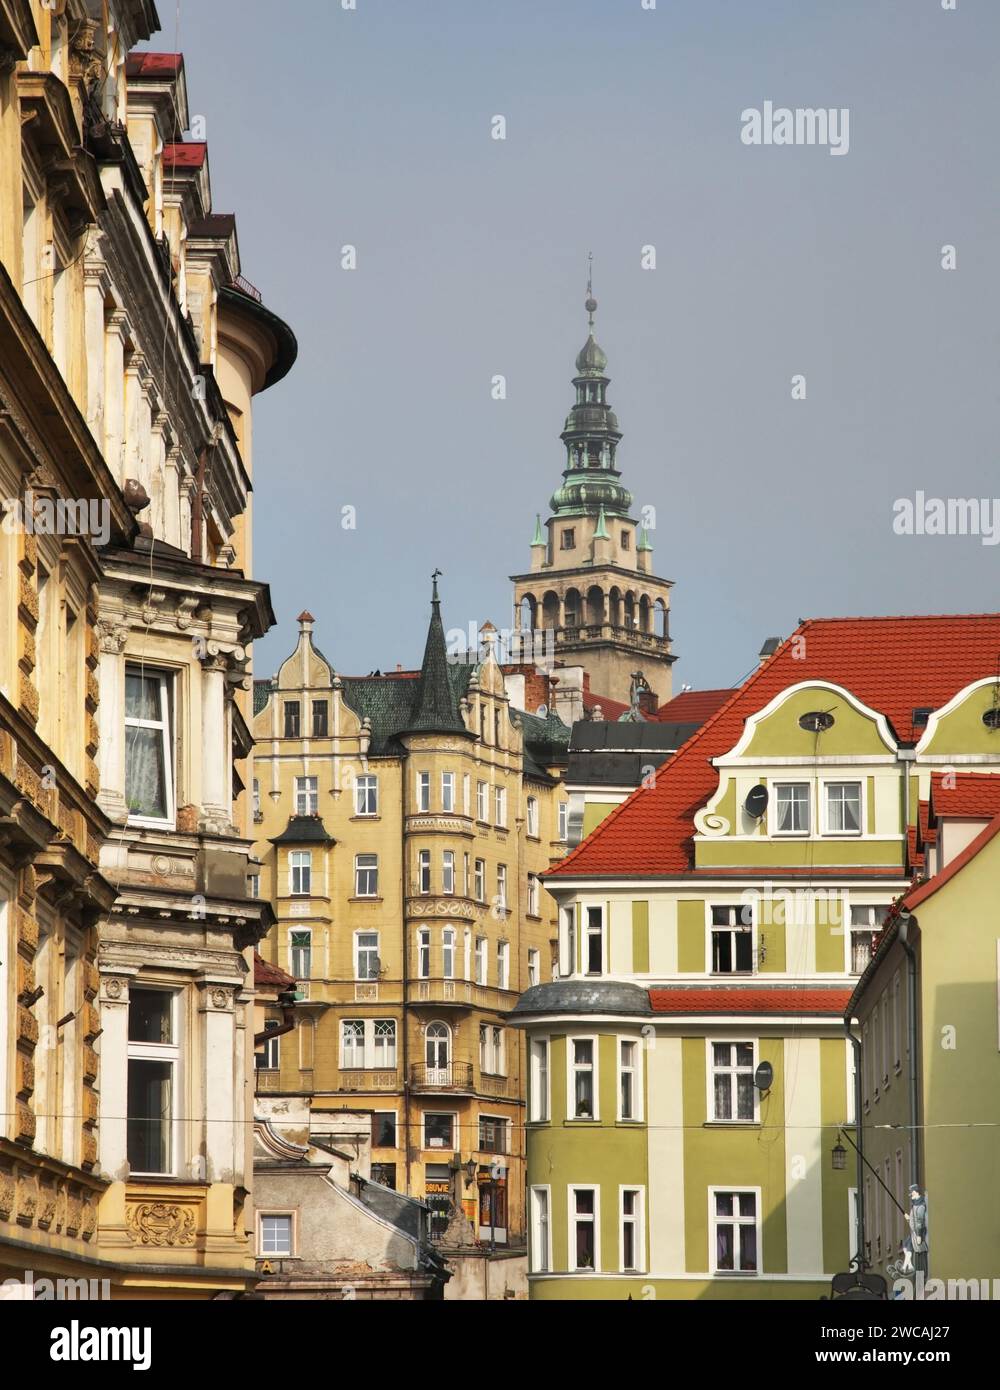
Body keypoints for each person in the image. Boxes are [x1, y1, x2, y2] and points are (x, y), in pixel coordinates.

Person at [900, 1185, 928, 1275]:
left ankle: (905, 1267)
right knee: (905, 1245)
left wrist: (919, 1235)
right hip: (913, 1232)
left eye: (911, 1193)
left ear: (916, 1192)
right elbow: (914, 1219)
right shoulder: (915, 1204)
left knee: (915, 1251)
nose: (911, 1195)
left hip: (917, 1233)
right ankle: (910, 1266)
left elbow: (920, 1221)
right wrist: (909, 1218)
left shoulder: (920, 1206)